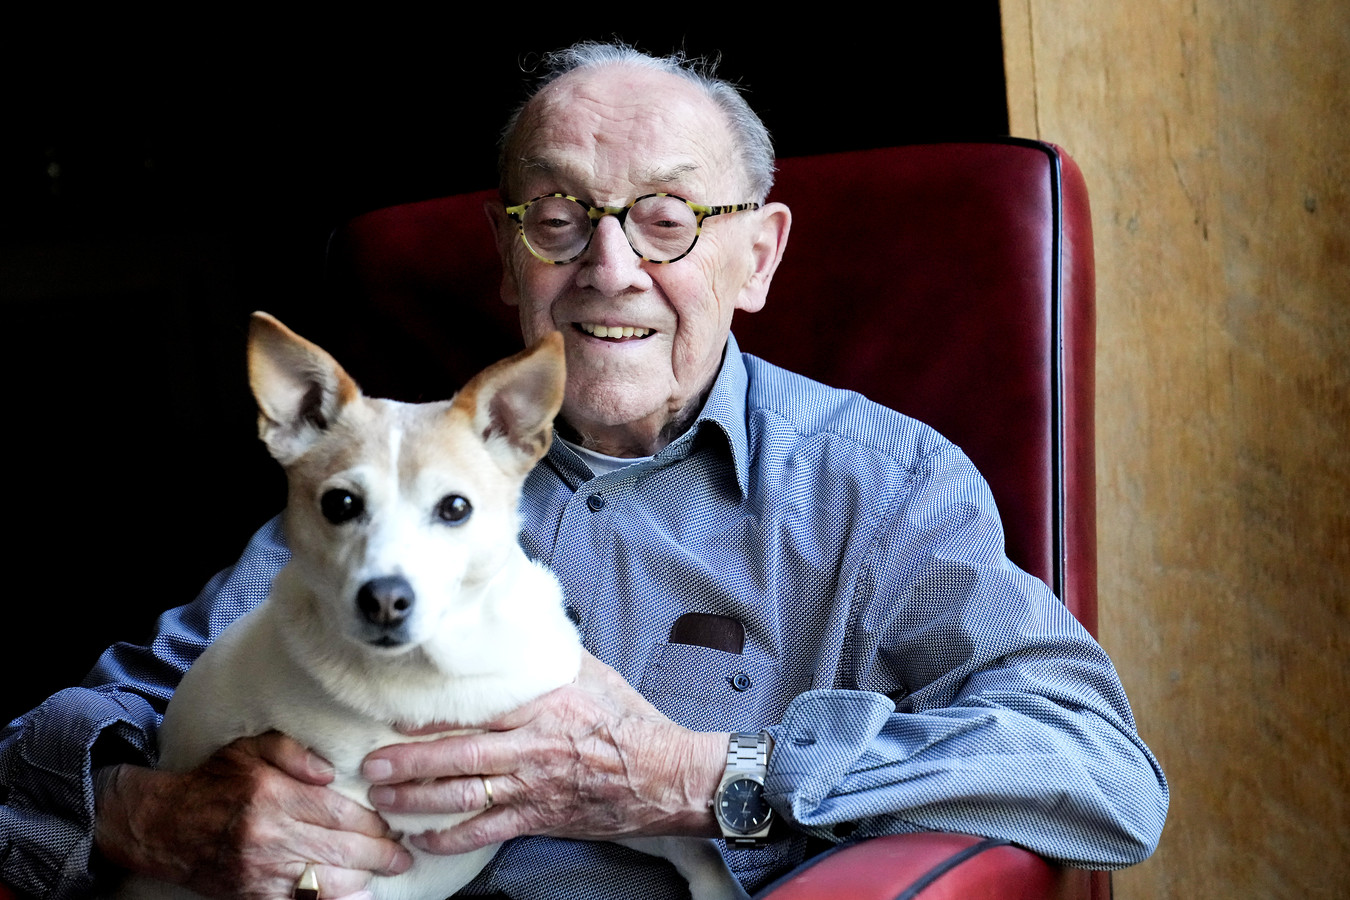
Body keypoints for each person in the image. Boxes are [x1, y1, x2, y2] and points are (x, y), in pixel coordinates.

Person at [0, 42, 1168, 900]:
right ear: (509, 261)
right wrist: (152, 817)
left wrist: (704, 777)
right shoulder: (377, 496)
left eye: (668, 220)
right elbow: (64, 738)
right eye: (558, 217)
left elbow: (1094, 767)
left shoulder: (875, 489)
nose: (608, 268)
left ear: (757, 255)